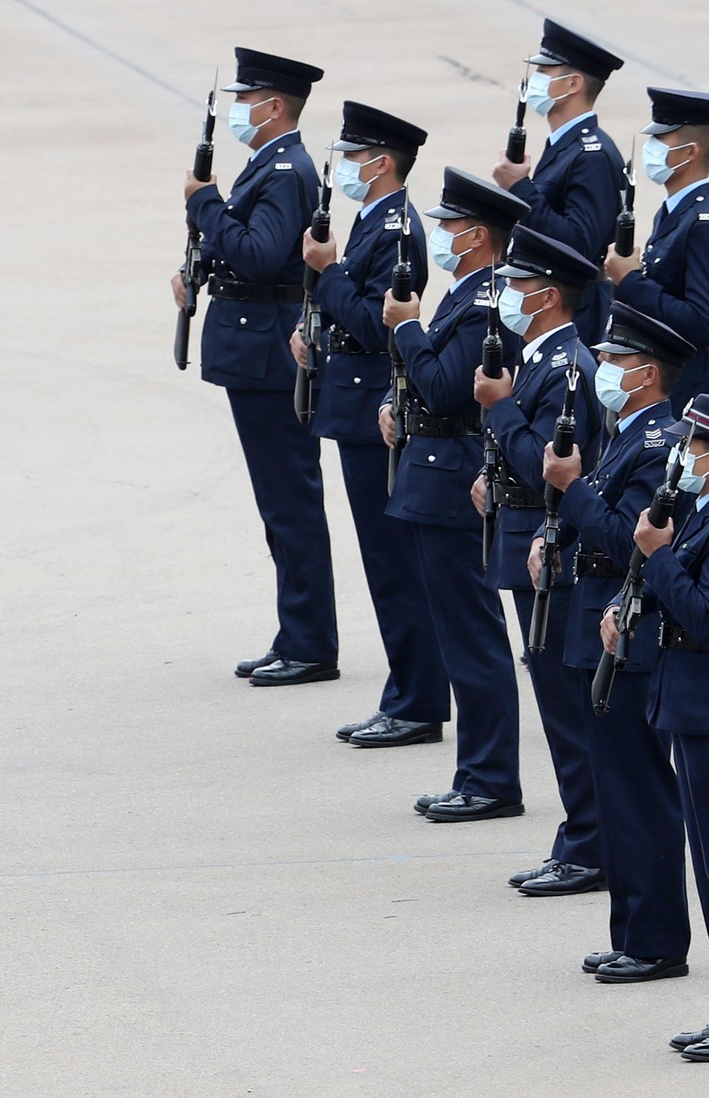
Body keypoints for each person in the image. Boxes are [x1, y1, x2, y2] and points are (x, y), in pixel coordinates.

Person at [174, 48, 337, 687]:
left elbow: (264, 257)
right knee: (279, 505)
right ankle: (296, 634)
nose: (239, 111)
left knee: (289, 502)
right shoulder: (270, 164)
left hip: (269, 358)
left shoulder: (287, 170)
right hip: (255, 352)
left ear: (273, 106)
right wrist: (198, 272)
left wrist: (205, 204)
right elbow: (246, 253)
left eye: (246, 101)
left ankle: (310, 643)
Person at [295, 101, 446, 740]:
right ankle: (407, 694)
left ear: (382, 163)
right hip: (353, 406)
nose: (347, 167)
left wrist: (328, 272)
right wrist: (313, 329)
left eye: (355, 156)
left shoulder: (398, 230)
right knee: (386, 563)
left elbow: (377, 327)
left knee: (394, 565)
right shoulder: (372, 221)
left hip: (372, 413)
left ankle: (416, 703)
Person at [543, 302, 687, 973]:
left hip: (630, 636)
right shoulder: (626, 433)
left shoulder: (658, 444)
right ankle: (633, 934)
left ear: (647, 373)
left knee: (637, 791)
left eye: (614, 361)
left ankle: (655, 941)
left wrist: (571, 490)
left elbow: (633, 543)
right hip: (596, 625)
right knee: (615, 789)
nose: (602, 370)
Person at [454, 227, 604, 861]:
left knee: (568, 712)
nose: (506, 294)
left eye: (518, 285)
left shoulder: (565, 366)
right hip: (525, 540)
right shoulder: (543, 357)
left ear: (546, 297)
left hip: (552, 552)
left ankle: (589, 845)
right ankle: (585, 839)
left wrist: (499, 407)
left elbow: (549, 468)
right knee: (558, 706)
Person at [375, 171, 527, 790]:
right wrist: (394, 404)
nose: (439, 235)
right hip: (432, 477)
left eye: (450, 226)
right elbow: (427, 384)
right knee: (457, 630)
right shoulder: (465, 293)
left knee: (471, 635)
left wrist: (405, 328)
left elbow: (445, 389)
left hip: (453, 481)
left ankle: (489, 779)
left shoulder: (486, 302)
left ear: (478, 236)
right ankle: (477, 775)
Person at [628, 395, 709, 1056]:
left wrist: (656, 556)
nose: (685, 453)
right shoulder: (699, 507)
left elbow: (704, 615)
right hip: (687, 703)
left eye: (696, 444)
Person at [493, 19, 627, 344]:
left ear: (573, 84)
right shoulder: (566, 145)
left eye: (545, 72)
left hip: (577, 314)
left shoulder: (592, 155)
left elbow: (578, 244)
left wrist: (519, 189)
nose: (536, 80)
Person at [608, 89, 709, 409]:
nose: (651, 148)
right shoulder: (675, 210)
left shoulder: (702, 222)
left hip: (690, 393)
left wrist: (631, 281)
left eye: (661, 139)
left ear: (690, 151)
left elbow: (701, 321)